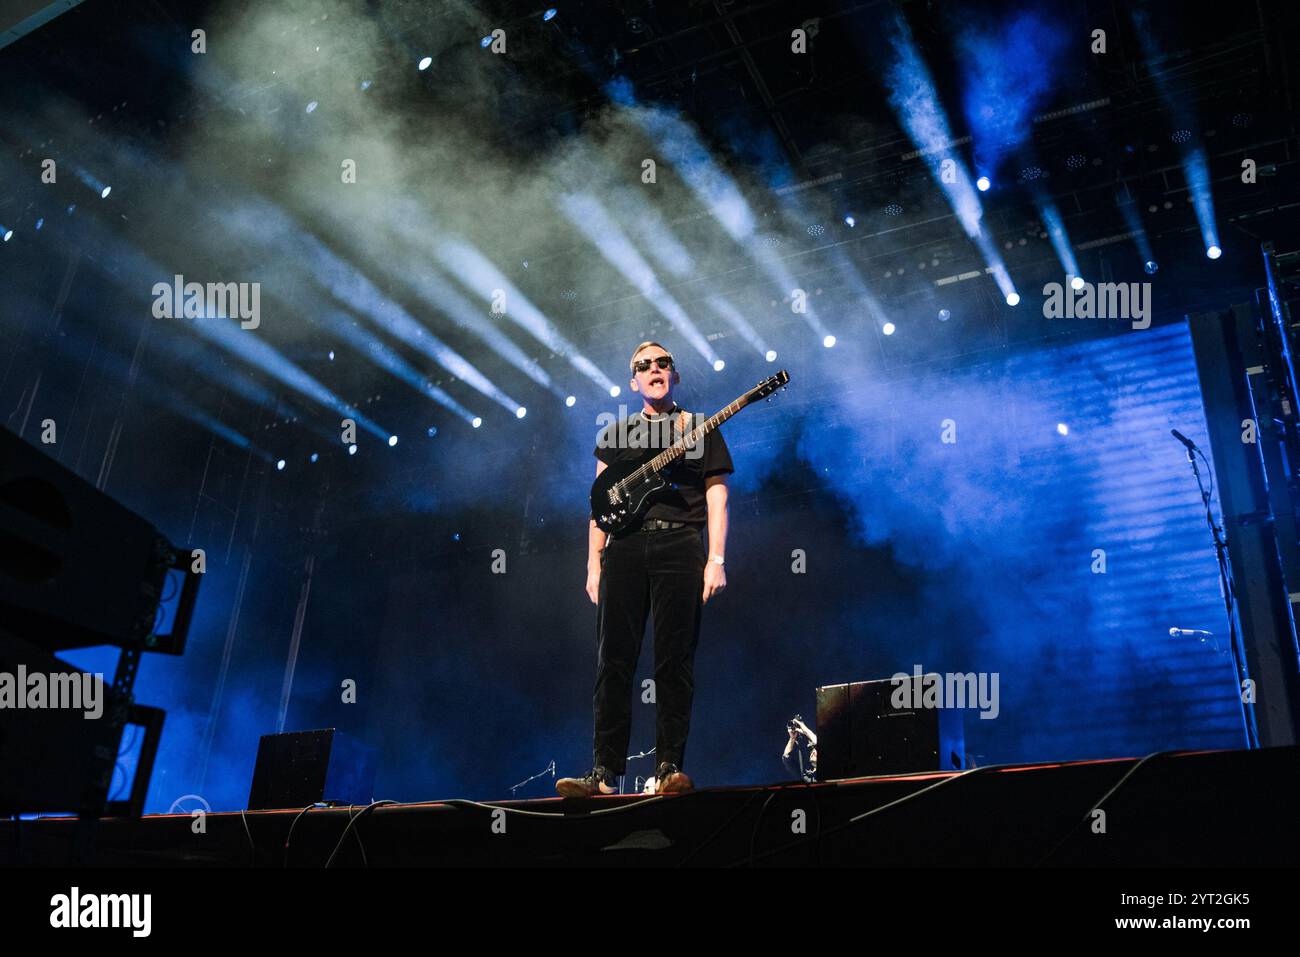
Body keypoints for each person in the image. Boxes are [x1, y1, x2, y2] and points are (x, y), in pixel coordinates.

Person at [557, 342, 733, 797]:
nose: (654, 369)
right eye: (643, 366)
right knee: (613, 660)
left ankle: (669, 769)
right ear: (633, 382)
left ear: (674, 375)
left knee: (674, 660)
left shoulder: (699, 428)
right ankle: (602, 774)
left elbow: (717, 495)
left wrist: (716, 558)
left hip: (680, 543)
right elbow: (598, 505)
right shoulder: (615, 435)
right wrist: (593, 563)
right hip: (625, 550)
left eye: (662, 363)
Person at [782, 715, 818, 783]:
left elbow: (816, 741)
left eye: (816, 749)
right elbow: (786, 757)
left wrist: (803, 727)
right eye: (813, 750)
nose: (813, 752)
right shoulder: (804, 775)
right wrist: (792, 738)